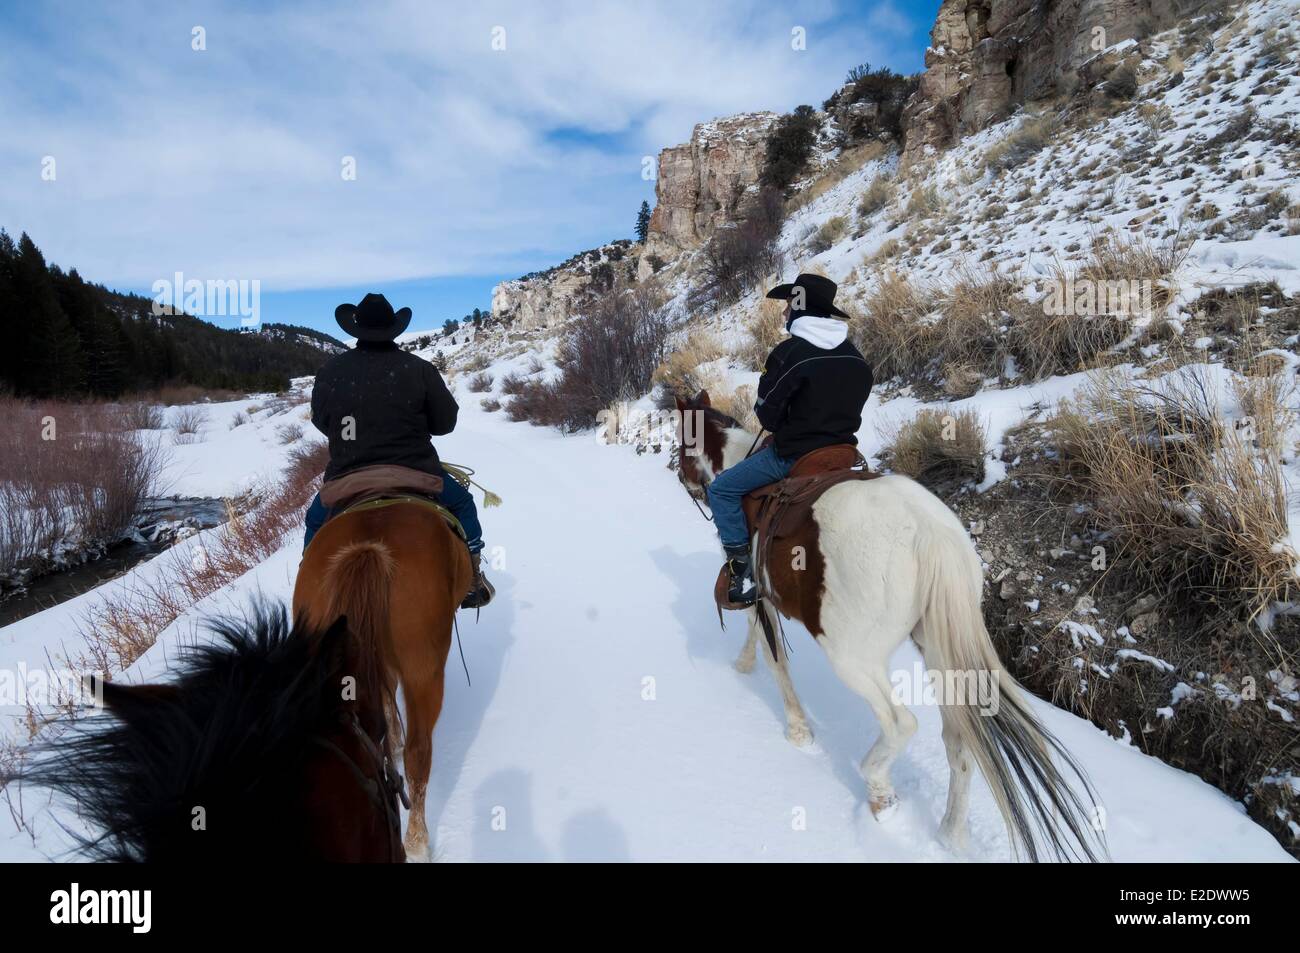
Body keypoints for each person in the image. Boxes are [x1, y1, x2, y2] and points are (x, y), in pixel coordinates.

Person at [304, 292, 494, 609]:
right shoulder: (419, 369)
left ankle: (311, 593)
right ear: (394, 329)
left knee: (314, 523)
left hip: (347, 477)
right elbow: (445, 423)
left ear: (356, 329)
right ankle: (473, 577)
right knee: (463, 503)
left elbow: (323, 421)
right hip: (418, 474)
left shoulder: (331, 372)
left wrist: (355, 435)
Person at [707, 273, 873, 607]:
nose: (784, 312)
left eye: (788, 305)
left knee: (721, 490)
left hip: (794, 455)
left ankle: (741, 574)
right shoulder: (856, 357)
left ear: (800, 307)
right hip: (843, 455)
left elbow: (767, 417)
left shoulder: (789, 352)